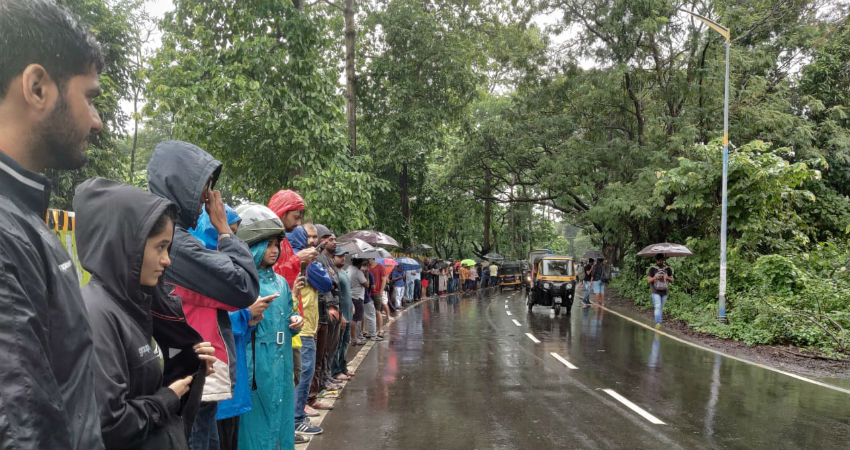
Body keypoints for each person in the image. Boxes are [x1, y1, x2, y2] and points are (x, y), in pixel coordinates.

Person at [0, 1, 105, 447]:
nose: (96, 122)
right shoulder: (6, 234)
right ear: (38, 87)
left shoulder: (24, 218)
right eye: (90, 97)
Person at [75, 178, 217, 450]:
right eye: (160, 247)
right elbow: (108, 424)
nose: (167, 260)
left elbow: (139, 381)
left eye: (168, 247)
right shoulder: (97, 314)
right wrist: (167, 399)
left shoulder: (134, 304)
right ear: (128, 246)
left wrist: (189, 363)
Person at [147, 140, 260, 450]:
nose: (206, 202)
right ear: (182, 188)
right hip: (190, 373)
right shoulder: (177, 245)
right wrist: (224, 230)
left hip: (194, 370)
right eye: (203, 191)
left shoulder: (175, 239)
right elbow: (244, 287)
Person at [233, 203, 303, 450]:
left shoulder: (283, 283)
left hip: (281, 362)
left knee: (281, 417)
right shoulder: (242, 283)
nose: (274, 251)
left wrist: (295, 322)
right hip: (256, 366)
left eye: (277, 245)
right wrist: (248, 317)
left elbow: (289, 316)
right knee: (256, 427)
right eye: (268, 244)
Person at [289, 225, 332, 436]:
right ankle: (296, 418)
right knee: (303, 374)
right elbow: (326, 283)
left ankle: (297, 415)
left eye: (315, 237)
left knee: (303, 372)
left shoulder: (300, 259)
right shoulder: (303, 261)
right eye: (309, 237)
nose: (313, 242)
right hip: (302, 327)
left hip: (306, 325)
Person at [332, 249, 355, 381]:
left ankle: (343, 368)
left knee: (345, 342)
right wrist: (341, 315)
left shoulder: (344, 273)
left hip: (348, 313)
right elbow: (335, 297)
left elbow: (346, 293)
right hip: (341, 315)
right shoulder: (335, 275)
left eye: (343, 256)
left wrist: (351, 305)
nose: (342, 258)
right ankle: (335, 371)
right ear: (333, 258)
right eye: (339, 256)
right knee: (338, 343)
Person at [647, 254, 674, 329]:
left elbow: (672, 280)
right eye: (658, 260)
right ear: (656, 260)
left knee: (661, 308)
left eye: (661, 260)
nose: (660, 261)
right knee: (658, 306)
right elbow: (649, 280)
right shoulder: (652, 269)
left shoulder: (668, 269)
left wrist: (667, 277)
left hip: (665, 291)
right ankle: (658, 323)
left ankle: (658, 323)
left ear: (663, 260)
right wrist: (655, 277)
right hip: (655, 291)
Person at [348, 260, 368, 345]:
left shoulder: (348, 268)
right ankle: (354, 338)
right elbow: (366, 284)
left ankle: (351, 338)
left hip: (350, 296)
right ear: (360, 263)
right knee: (355, 319)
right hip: (357, 297)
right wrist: (367, 274)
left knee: (351, 318)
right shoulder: (358, 272)